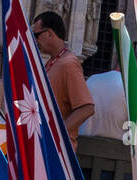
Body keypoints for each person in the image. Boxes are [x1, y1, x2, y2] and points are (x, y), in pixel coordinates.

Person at [31, 11, 94, 151]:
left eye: (36, 35)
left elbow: (87, 108)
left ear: (50, 33)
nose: (35, 41)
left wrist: (56, 135)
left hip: (58, 151)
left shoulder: (68, 63)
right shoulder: (55, 61)